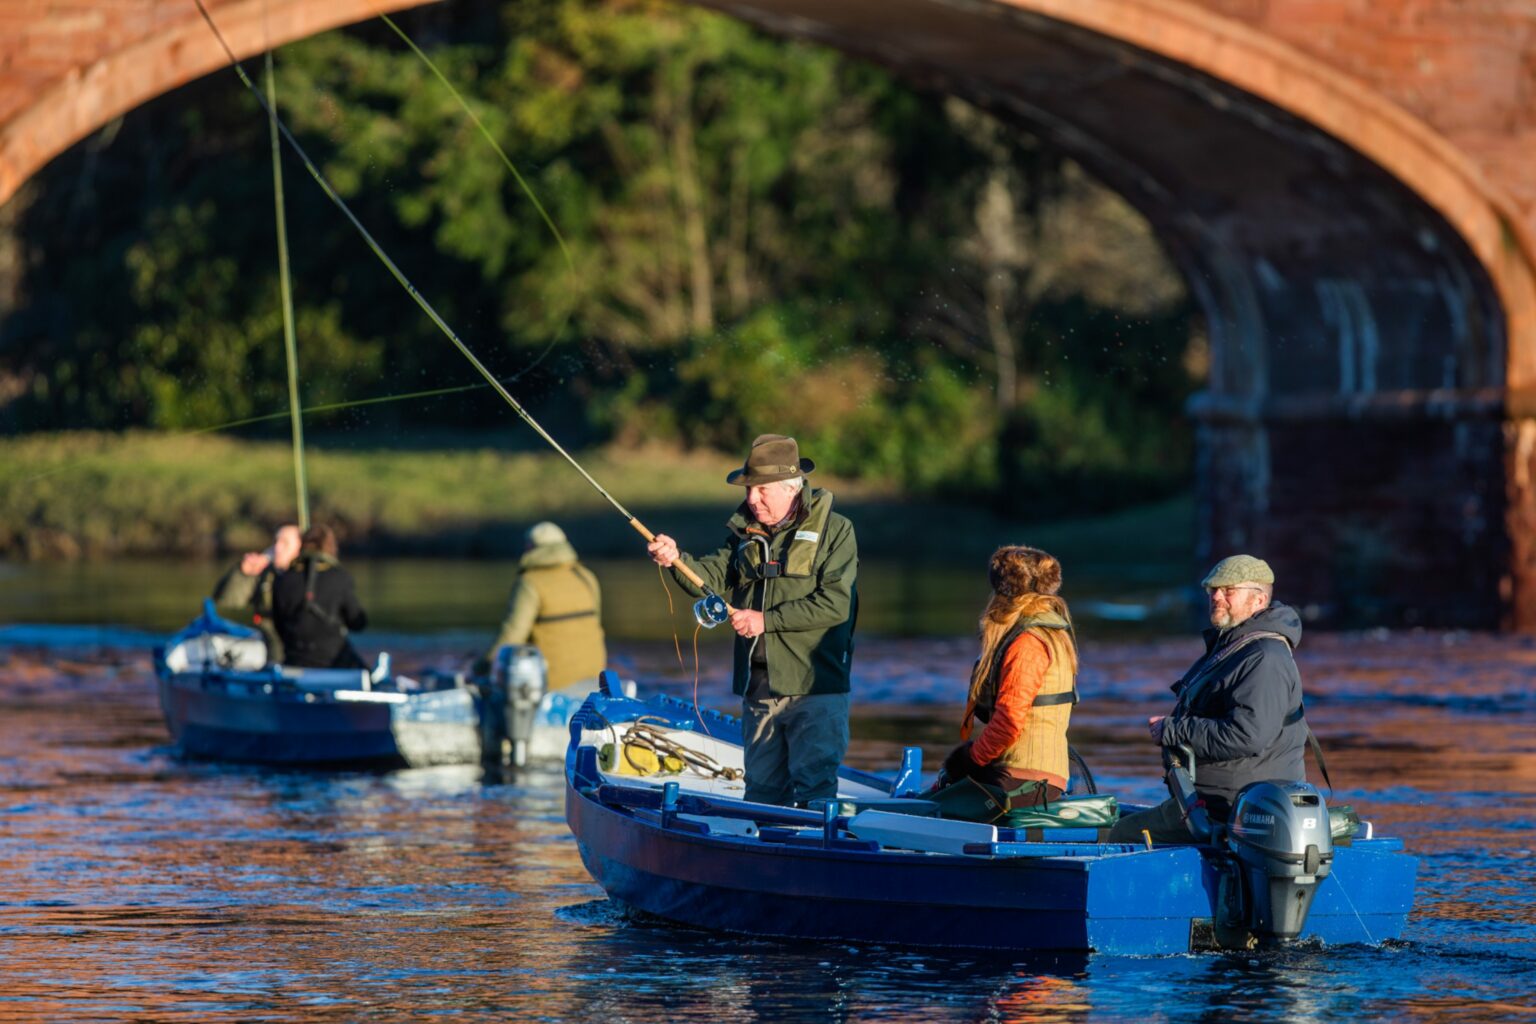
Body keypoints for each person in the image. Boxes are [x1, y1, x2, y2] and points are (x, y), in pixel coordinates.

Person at [646, 434, 858, 807]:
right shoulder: (745, 531)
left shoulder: (836, 530)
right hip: (759, 688)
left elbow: (835, 605)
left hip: (816, 688)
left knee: (815, 794)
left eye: (761, 490)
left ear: (791, 487)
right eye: (749, 490)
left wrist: (765, 621)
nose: (752, 499)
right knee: (761, 796)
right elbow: (709, 579)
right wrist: (675, 559)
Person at [1107, 554, 1308, 844]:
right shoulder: (1234, 647)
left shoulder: (1264, 657)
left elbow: (1247, 735)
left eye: (1229, 590)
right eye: (1213, 590)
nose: (1216, 597)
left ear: (1259, 600)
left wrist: (1172, 730)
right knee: (1115, 817)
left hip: (1232, 808)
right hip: (1209, 800)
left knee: (1118, 834)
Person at [930, 545, 1078, 817]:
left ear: (1005, 594)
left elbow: (1008, 722)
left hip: (1023, 781)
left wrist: (969, 761)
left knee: (930, 809)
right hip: (1038, 780)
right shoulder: (1053, 633)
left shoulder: (1027, 643)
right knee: (938, 793)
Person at [481, 521, 606, 689]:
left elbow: (513, 635)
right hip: (594, 678)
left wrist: (483, 666)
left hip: (551, 683)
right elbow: (596, 624)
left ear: (531, 548)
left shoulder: (529, 582)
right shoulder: (586, 576)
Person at [271, 524, 369, 670]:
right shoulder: (340, 577)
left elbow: (278, 625)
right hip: (333, 662)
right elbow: (358, 623)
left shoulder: (282, 580)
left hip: (294, 659)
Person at [211, 523, 301, 661]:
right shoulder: (265, 575)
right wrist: (243, 573)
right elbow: (227, 602)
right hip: (268, 646)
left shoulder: (311, 577)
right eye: (276, 542)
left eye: (285, 543)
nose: (277, 548)